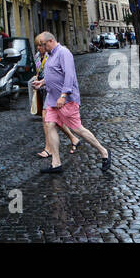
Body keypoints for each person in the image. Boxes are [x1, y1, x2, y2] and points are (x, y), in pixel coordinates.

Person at [31, 32, 111, 174]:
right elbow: (53, 74)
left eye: (42, 45)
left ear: (50, 41)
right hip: (52, 100)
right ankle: (56, 163)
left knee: (77, 129)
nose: (40, 48)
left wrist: (63, 95)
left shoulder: (64, 53)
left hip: (66, 100)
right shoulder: (50, 55)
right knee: (49, 125)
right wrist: (42, 83)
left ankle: (103, 151)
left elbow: (69, 75)